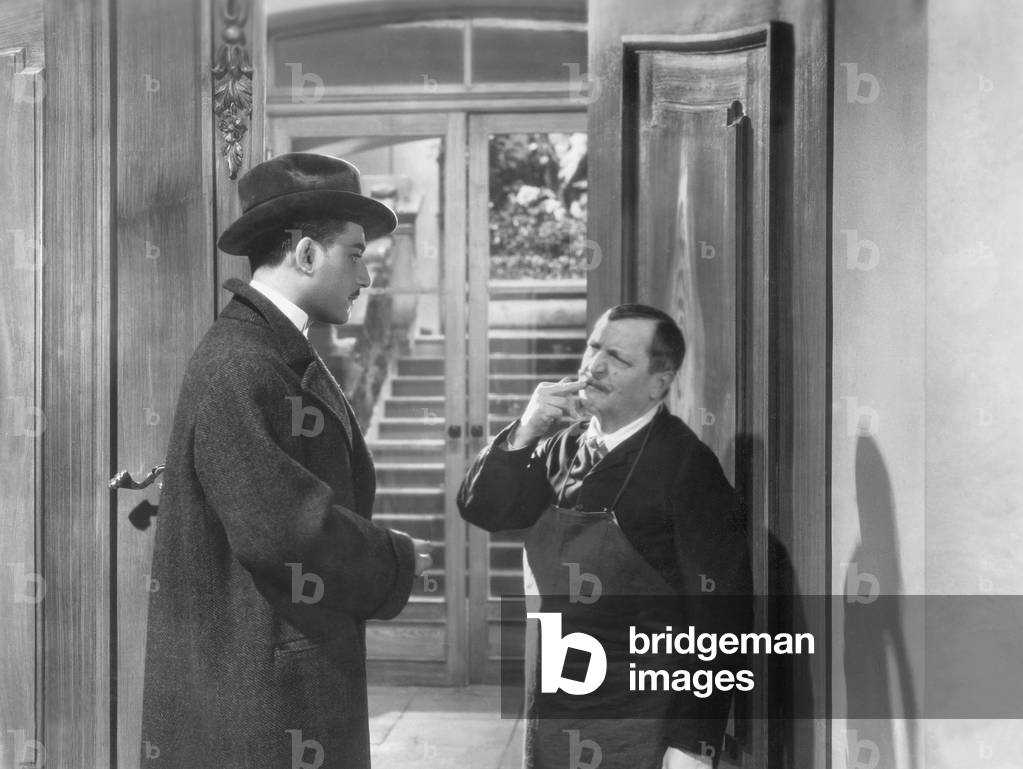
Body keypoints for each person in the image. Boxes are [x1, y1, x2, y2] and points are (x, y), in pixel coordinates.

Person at [140, 153, 433, 769]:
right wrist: (395, 561)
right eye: (354, 255)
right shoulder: (241, 362)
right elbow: (282, 528)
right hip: (261, 699)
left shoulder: (271, 349)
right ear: (304, 255)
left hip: (278, 677)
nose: (367, 277)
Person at [458, 304, 752, 769]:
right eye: (594, 347)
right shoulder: (563, 445)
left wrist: (693, 744)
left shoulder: (686, 466)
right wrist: (526, 430)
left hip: (639, 721)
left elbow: (721, 617)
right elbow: (482, 507)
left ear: (658, 382)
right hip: (555, 707)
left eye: (616, 357)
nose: (593, 366)